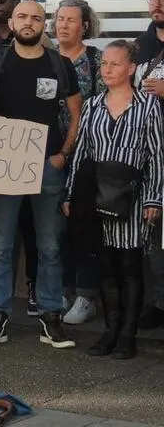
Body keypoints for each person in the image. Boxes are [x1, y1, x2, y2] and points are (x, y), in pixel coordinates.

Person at [0, 0, 79, 351]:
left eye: (36, 18)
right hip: (5, 171)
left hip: (47, 170)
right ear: (12, 20)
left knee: (50, 246)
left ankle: (51, 317)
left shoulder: (60, 64)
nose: (28, 22)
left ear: (43, 25)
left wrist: (63, 154)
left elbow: (75, 113)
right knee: (0, 247)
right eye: (22, 16)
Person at [67, 40, 164, 359]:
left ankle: (127, 335)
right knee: (105, 268)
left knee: (130, 267)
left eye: (115, 64)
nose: (107, 70)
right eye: (104, 64)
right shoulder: (93, 105)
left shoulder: (148, 106)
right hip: (98, 197)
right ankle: (109, 331)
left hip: (133, 199)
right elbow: (82, 153)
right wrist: (72, 195)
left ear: (131, 68)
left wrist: (154, 198)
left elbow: (156, 156)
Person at [52, 0, 104, 325]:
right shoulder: (45, 58)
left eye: (71, 20)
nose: (63, 25)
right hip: (50, 156)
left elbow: (101, 107)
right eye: (59, 19)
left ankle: (86, 295)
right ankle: (61, 289)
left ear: (84, 25)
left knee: (83, 226)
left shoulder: (96, 61)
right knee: (55, 228)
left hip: (86, 156)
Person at [134, 0, 164, 331]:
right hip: (143, 149)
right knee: (152, 233)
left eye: (162, 0)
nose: (156, 5)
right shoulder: (142, 44)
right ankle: (158, 302)